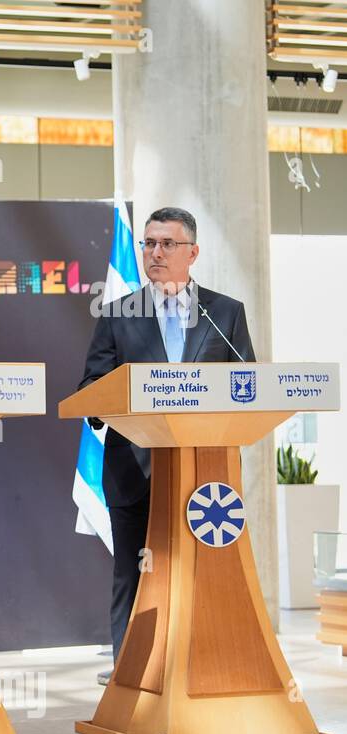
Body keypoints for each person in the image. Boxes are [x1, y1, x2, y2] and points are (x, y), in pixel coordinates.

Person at [79, 206, 256, 685]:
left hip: (206, 479)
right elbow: (91, 388)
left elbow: (250, 387)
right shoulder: (117, 315)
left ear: (192, 253)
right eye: (149, 244)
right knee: (134, 582)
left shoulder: (225, 314)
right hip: (133, 473)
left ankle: (206, 682)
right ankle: (130, 689)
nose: (155, 253)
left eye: (167, 244)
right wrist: (116, 400)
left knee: (206, 582)